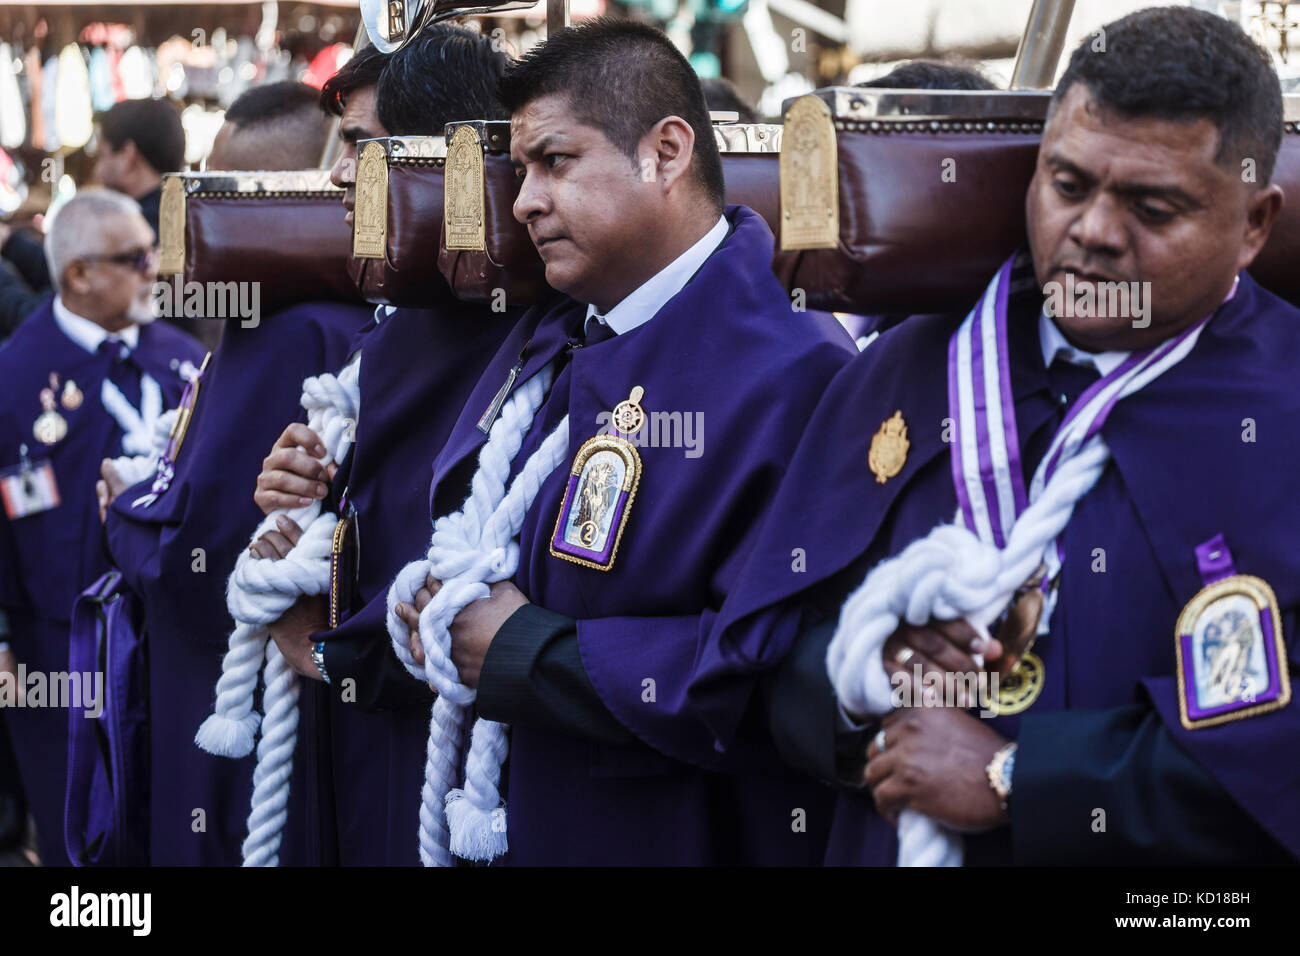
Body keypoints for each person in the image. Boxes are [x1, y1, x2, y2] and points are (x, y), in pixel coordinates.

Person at [712, 6, 1298, 865]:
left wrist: (1024, 779)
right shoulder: (905, 369)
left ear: (1253, 223)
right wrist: (863, 671)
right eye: (1068, 185)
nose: (1094, 232)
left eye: (1153, 206)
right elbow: (759, 658)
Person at [386, 17, 855, 866]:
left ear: (667, 153)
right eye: (521, 170)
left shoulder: (795, 371)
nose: (524, 200)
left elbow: (785, 674)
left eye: (555, 162)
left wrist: (528, 651)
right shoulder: (557, 337)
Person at [232, 24, 520, 866]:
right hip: (363, 756)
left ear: (447, 161)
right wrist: (301, 510)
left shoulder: (534, 337)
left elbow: (478, 601)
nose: (336, 175)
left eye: (360, 144)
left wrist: (316, 646)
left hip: (454, 780)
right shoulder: (398, 329)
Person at [98, 84, 373, 866]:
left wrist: (123, 513)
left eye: (225, 189)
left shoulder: (287, 330)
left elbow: (208, 549)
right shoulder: (317, 313)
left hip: (244, 700)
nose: (201, 215)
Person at [0, 189, 204, 866]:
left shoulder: (187, 358)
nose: (155, 270)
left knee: (171, 819)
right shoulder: (12, 376)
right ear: (79, 274)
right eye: (135, 258)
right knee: (75, 828)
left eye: (155, 254)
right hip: (57, 649)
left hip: (175, 636)